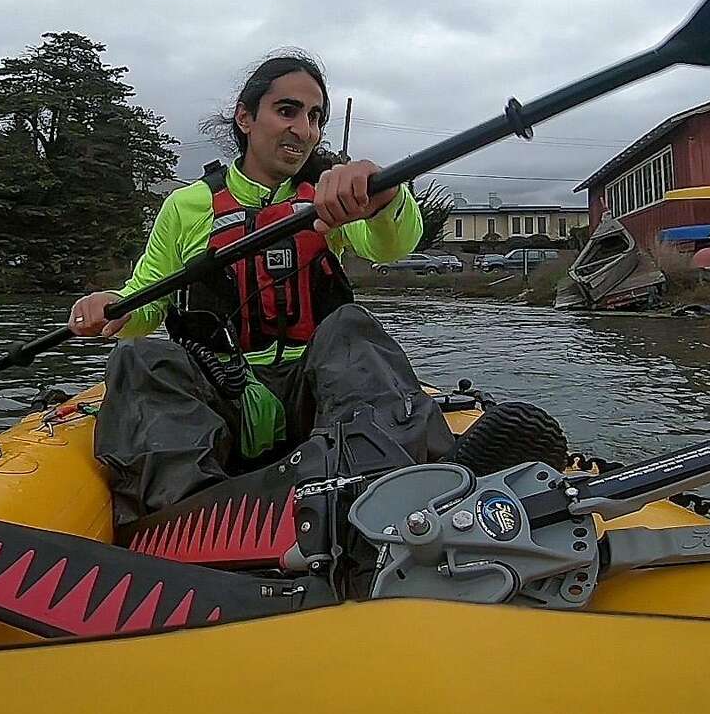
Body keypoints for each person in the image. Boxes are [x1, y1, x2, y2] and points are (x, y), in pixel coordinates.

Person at [68, 51, 454, 527]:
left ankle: (376, 497)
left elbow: (391, 246)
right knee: (137, 358)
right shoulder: (187, 205)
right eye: (287, 111)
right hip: (222, 392)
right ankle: (192, 520)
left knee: (353, 328)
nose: (304, 130)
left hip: (313, 391)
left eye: (315, 117)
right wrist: (115, 306)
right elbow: (148, 297)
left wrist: (383, 198)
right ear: (246, 117)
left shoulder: (330, 197)